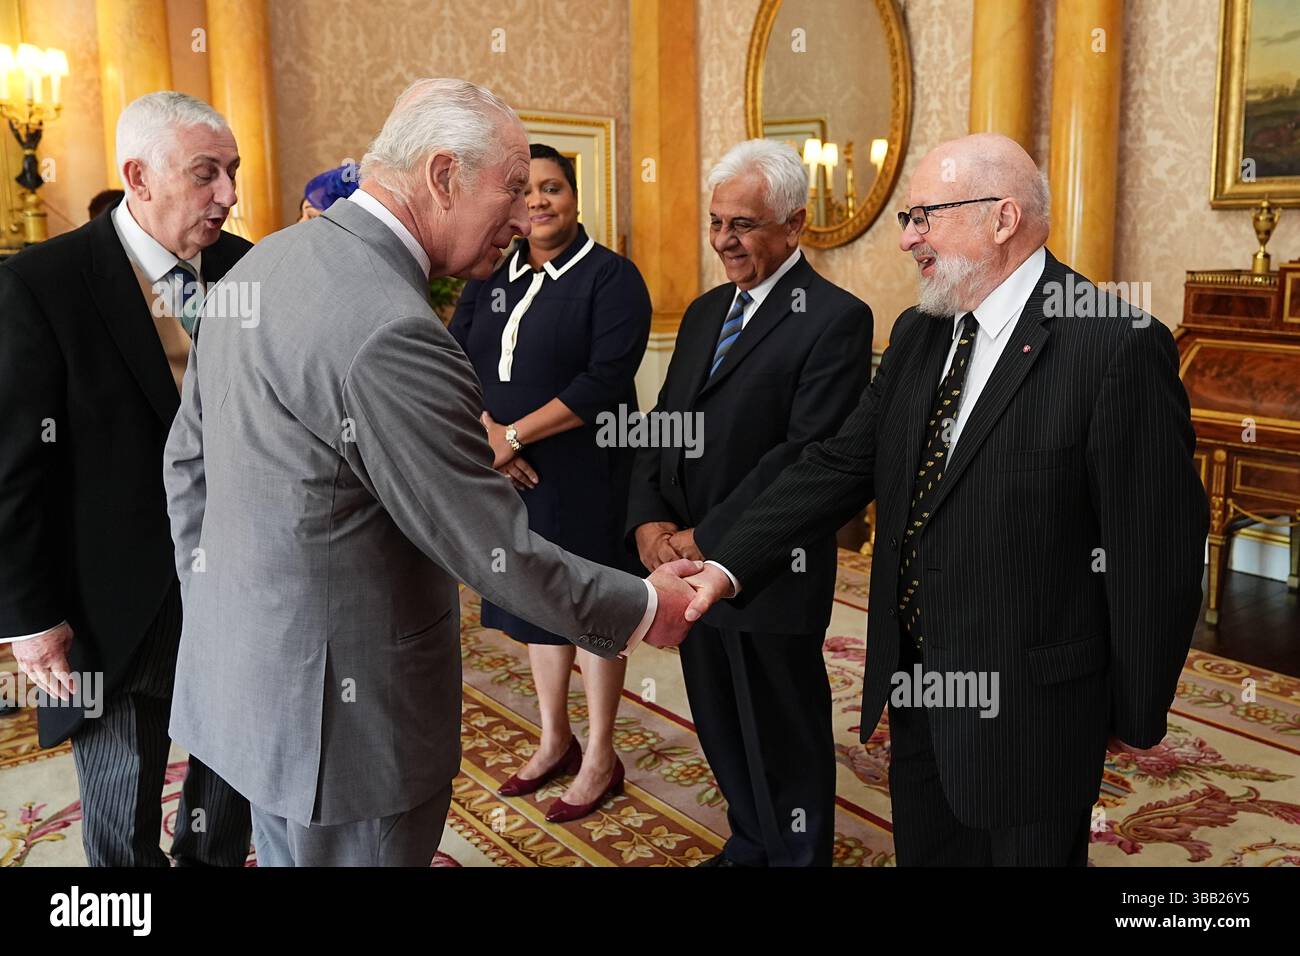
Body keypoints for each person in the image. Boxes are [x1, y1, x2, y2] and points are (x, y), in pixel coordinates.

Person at [162, 77, 698, 867]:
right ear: (444, 175)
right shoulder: (390, 328)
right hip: (347, 730)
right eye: (512, 188)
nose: (524, 217)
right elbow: (490, 549)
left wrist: (217, 602)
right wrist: (647, 604)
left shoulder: (261, 264)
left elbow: (186, 466)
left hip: (249, 692)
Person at [682, 133, 1208, 867]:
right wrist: (724, 562)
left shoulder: (1114, 345)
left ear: (1002, 218)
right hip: (919, 689)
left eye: (923, 216)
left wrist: (1134, 709)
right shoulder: (920, 332)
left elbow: (1156, 549)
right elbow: (838, 464)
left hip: (1036, 712)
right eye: (906, 218)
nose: (906, 240)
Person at [0, 91, 254, 866]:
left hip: (241, 588)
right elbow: (14, 467)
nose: (229, 195)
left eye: (232, 173)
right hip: (112, 605)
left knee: (231, 792)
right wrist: (30, 615)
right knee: (123, 819)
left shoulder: (249, 269)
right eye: (207, 173)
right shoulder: (43, 282)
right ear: (138, 177)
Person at [627, 139, 872, 866]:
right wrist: (648, 520)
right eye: (716, 223)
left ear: (794, 226)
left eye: (742, 224)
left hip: (770, 567)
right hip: (683, 564)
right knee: (721, 720)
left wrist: (710, 537)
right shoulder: (705, 313)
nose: (723, 241)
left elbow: (805, 455)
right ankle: (752, 845)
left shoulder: (836, 318)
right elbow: (665, 418)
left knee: (784, 730)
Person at [449, 144, 651, 822]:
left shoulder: (611, 277)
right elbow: (454, 356)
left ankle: (600, 755)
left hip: (587, 468)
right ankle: (553, 739)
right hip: (513, 471)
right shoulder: (491, 274)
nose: (539, 201)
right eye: (527, 189)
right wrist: (488, 435)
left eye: (553, 187)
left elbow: (605, 381)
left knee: (590, 607)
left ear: (575, 195)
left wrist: (514, 436)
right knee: (537, 602)